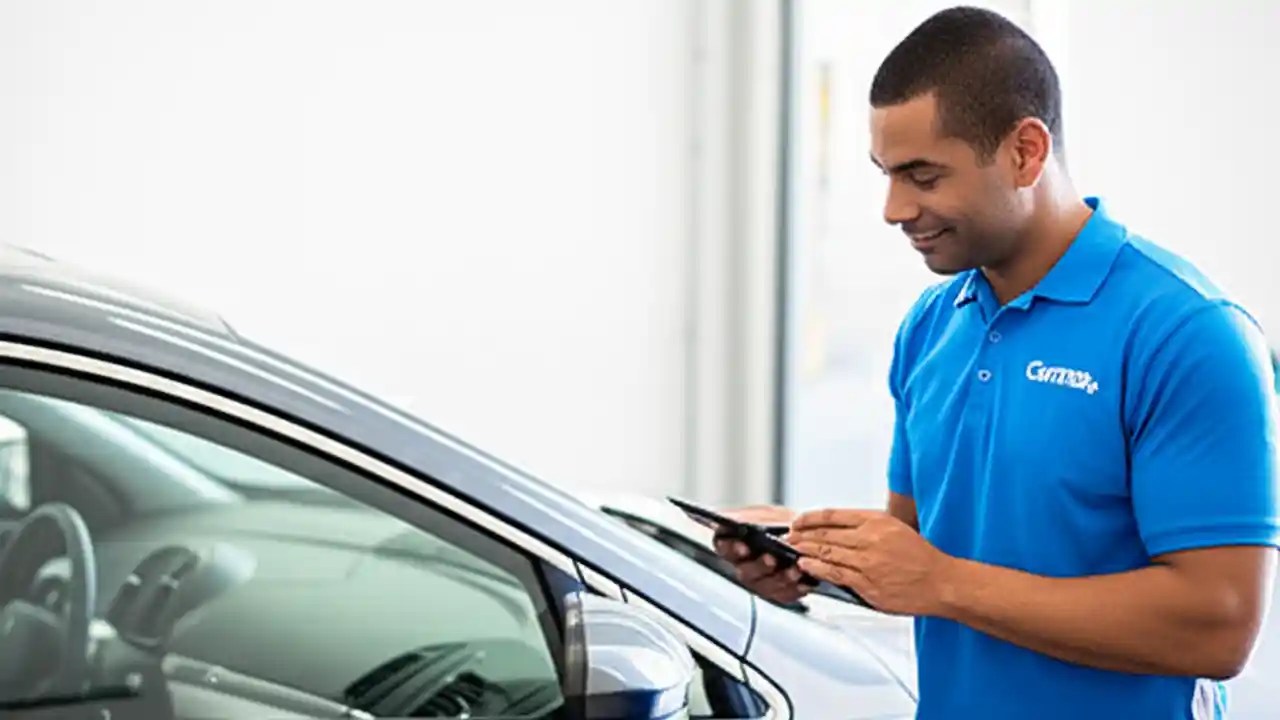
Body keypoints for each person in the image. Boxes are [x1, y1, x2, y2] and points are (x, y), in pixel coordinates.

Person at [713, 6, 1279, 719]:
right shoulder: (930, 324)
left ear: (1025, 153)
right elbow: (922, 554)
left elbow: (1218, 624)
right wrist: (812, 559)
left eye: (922, 175)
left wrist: (941, 581)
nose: (893, 208)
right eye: (886, 174)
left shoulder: (1188, 333)